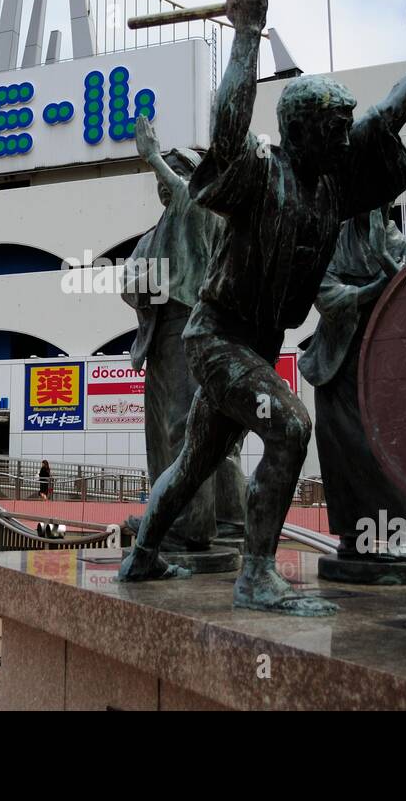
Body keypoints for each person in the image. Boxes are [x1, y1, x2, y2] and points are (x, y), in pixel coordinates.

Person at [119, 0, 406, 614]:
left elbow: (398, 106)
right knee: (291, 428)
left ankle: (141, 555)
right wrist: (247, 36)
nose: (346, 135)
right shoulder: (257, 173)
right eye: (335, 127)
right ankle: (255, 575)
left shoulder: (335, 183)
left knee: (196, 460)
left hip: (253, 344)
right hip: (216, 338)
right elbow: (226, 130)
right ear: (302, 131)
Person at [301, 208, 406, 582]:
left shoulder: (405, 245)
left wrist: (385, 261)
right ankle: (353, 536)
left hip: (383, 361)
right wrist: (374, 289)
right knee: (337, 446)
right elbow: (326, 297)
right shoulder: (332, 242)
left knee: (378, 446)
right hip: (336, 362)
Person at [122, 139, 247, 551]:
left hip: (192, 330)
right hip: (161, 337)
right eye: (163, 173)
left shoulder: (204, 211)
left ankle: (190, 522)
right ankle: (200, 514)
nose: (164, 182)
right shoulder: (152, 234)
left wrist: (155, 157)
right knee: (167, 433)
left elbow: (187, 200)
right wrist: (146, 286)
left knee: (186, 428)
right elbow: (129, 283)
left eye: (175, 171)